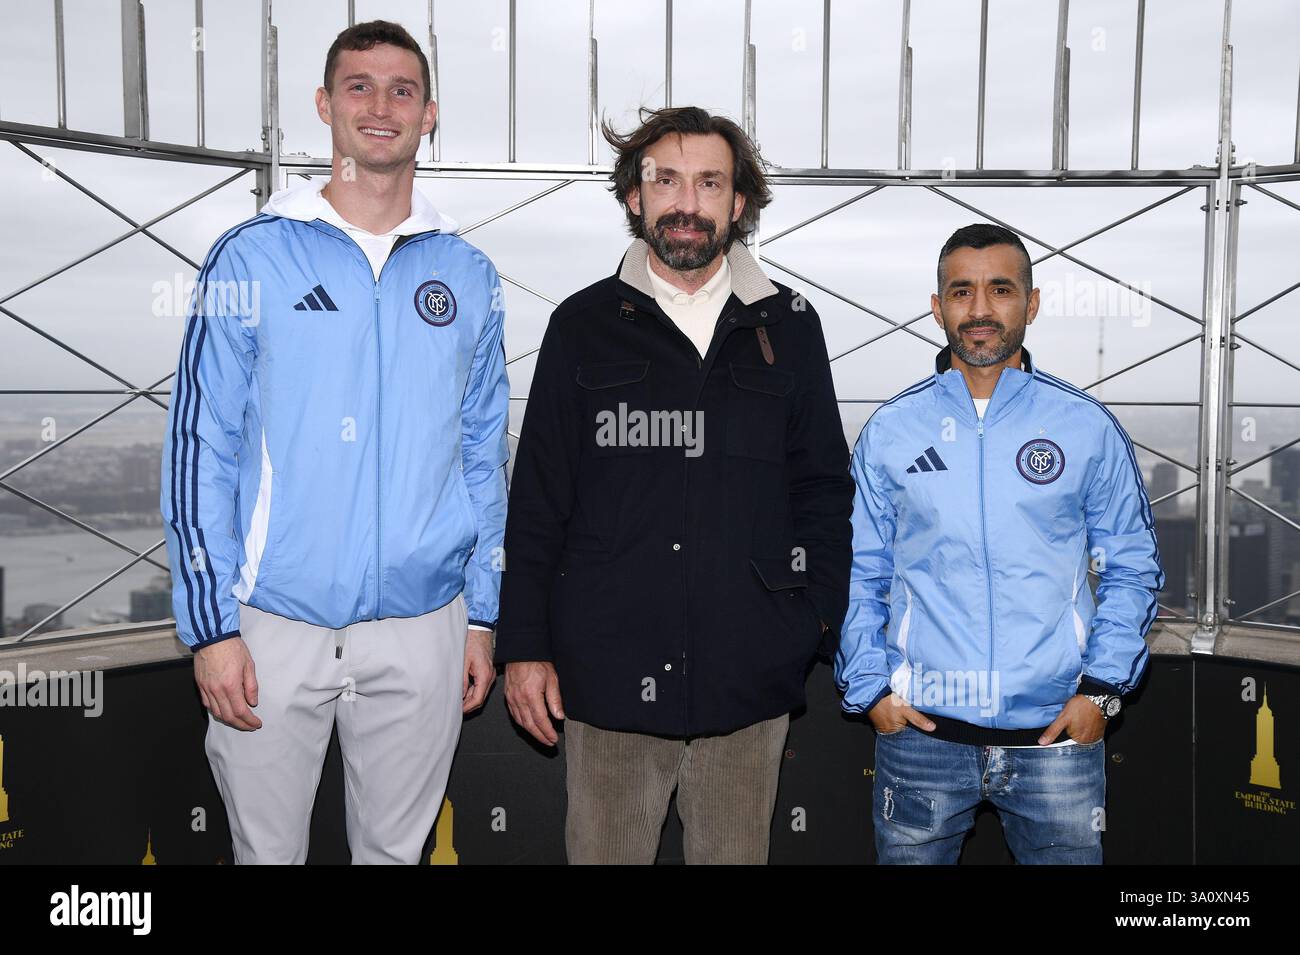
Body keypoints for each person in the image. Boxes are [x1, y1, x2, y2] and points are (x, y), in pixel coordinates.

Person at [159, 20, 508, 864]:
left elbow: (484, 449)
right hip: (271, 622)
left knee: (396, 856)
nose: (380, 106)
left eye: (402, 90)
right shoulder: (250, 257)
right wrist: (211, 627)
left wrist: (483, 616)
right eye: (359, 86)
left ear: (430, 115)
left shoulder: (468, 273)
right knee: (265, 855)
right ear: (324, 104)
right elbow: (199, 445)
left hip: (426, 623)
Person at [495, 106, 853, 864]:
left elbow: (822, 486)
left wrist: (814, 621)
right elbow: (537, 500)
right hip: (608, 679)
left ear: (739, 204)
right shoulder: (582, 325)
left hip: (747, 682)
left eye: (709, 182)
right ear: (635, 196)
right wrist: (524, 646)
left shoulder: (789, 324)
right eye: (666, 180)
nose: (687, 201)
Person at [836, 223, 1164, 864]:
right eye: (961, 291)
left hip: (1054, 740)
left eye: (1000, 290)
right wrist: (870, 688)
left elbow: (1131, 566)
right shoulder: (892, 431)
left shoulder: (1086, 427)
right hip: (921, 739)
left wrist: (1100, 691)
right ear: (937, 308)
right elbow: (858, 570)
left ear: (1031, 304)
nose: (980, 309)